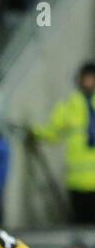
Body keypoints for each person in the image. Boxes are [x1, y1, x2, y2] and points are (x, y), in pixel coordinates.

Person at [32, 61, 95, 224]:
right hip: (77, 178)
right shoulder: (68, 106)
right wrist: (35, 132)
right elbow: (52, 131)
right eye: (86, 78)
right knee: (81, 221)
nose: (89, 82)